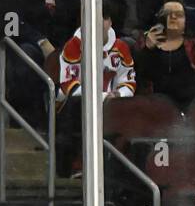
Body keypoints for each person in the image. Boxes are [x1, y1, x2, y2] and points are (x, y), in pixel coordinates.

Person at [0, 0, 80, 129]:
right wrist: (40, 41)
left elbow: (77, 20)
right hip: (30, 46)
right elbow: (11, 28)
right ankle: (29, 121)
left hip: (64, 45)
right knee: (26, 55)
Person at [57, 14, 136, 176]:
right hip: (77, 104)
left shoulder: (121, 47)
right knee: (77, 107)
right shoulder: (73, 45)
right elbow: (69, 85)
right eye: (94, 16)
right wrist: (102, 97)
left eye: (104, 17)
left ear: (110, 22)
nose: (99, 22)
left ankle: (117, 171)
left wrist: (119, 94)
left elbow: (128, 80)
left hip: (112, 105)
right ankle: (77, 165)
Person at [135, 0, 195, 109]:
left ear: (186, 20)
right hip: (156, 106)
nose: (173, 17)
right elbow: (136, 75)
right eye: (168, 13)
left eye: (178, 14)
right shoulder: (145, 42)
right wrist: (147, 48)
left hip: (194, 103)